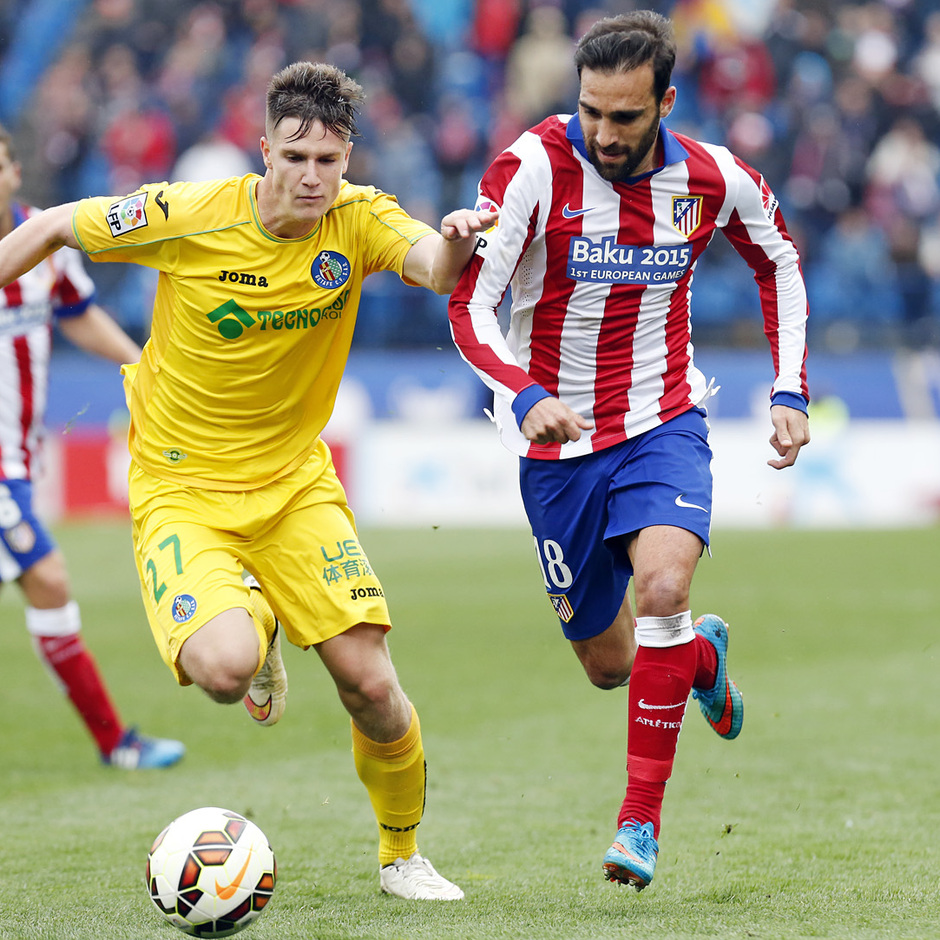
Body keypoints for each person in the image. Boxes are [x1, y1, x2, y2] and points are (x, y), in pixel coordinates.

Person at [0, 62, 494, 900]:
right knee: (225, 671)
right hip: (181, 487)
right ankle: (258, 627)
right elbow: (49, 225)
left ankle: (401, 855)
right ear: (264, 149)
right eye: (295, 156)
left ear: (348, 161)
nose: (311, 177)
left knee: (372, 685)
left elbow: (436, 269)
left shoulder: (360, 219)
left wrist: (458, 235)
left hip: (294, 486)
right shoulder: (187, 214)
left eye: (329, 161)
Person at [448, 11, 810, 891]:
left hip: (663, 421)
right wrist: (526, 395)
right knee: (612, 663)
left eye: (625, 117)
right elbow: (468, 308)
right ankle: (699, 657)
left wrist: (790, 387)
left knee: (664, 587)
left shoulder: (708, 176)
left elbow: (780, 260)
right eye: (591, 113)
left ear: (665, 103)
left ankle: (638, 825)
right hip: (557, 443)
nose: (604, 134)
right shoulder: (531, 168)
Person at [0, 122, 185, 770]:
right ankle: (116, 745)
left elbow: (76, 312)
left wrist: (141, 366)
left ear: (15, 171)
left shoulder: (45, 242)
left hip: (18, 459)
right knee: (47, 577)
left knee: (46, 586)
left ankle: (115, 744)